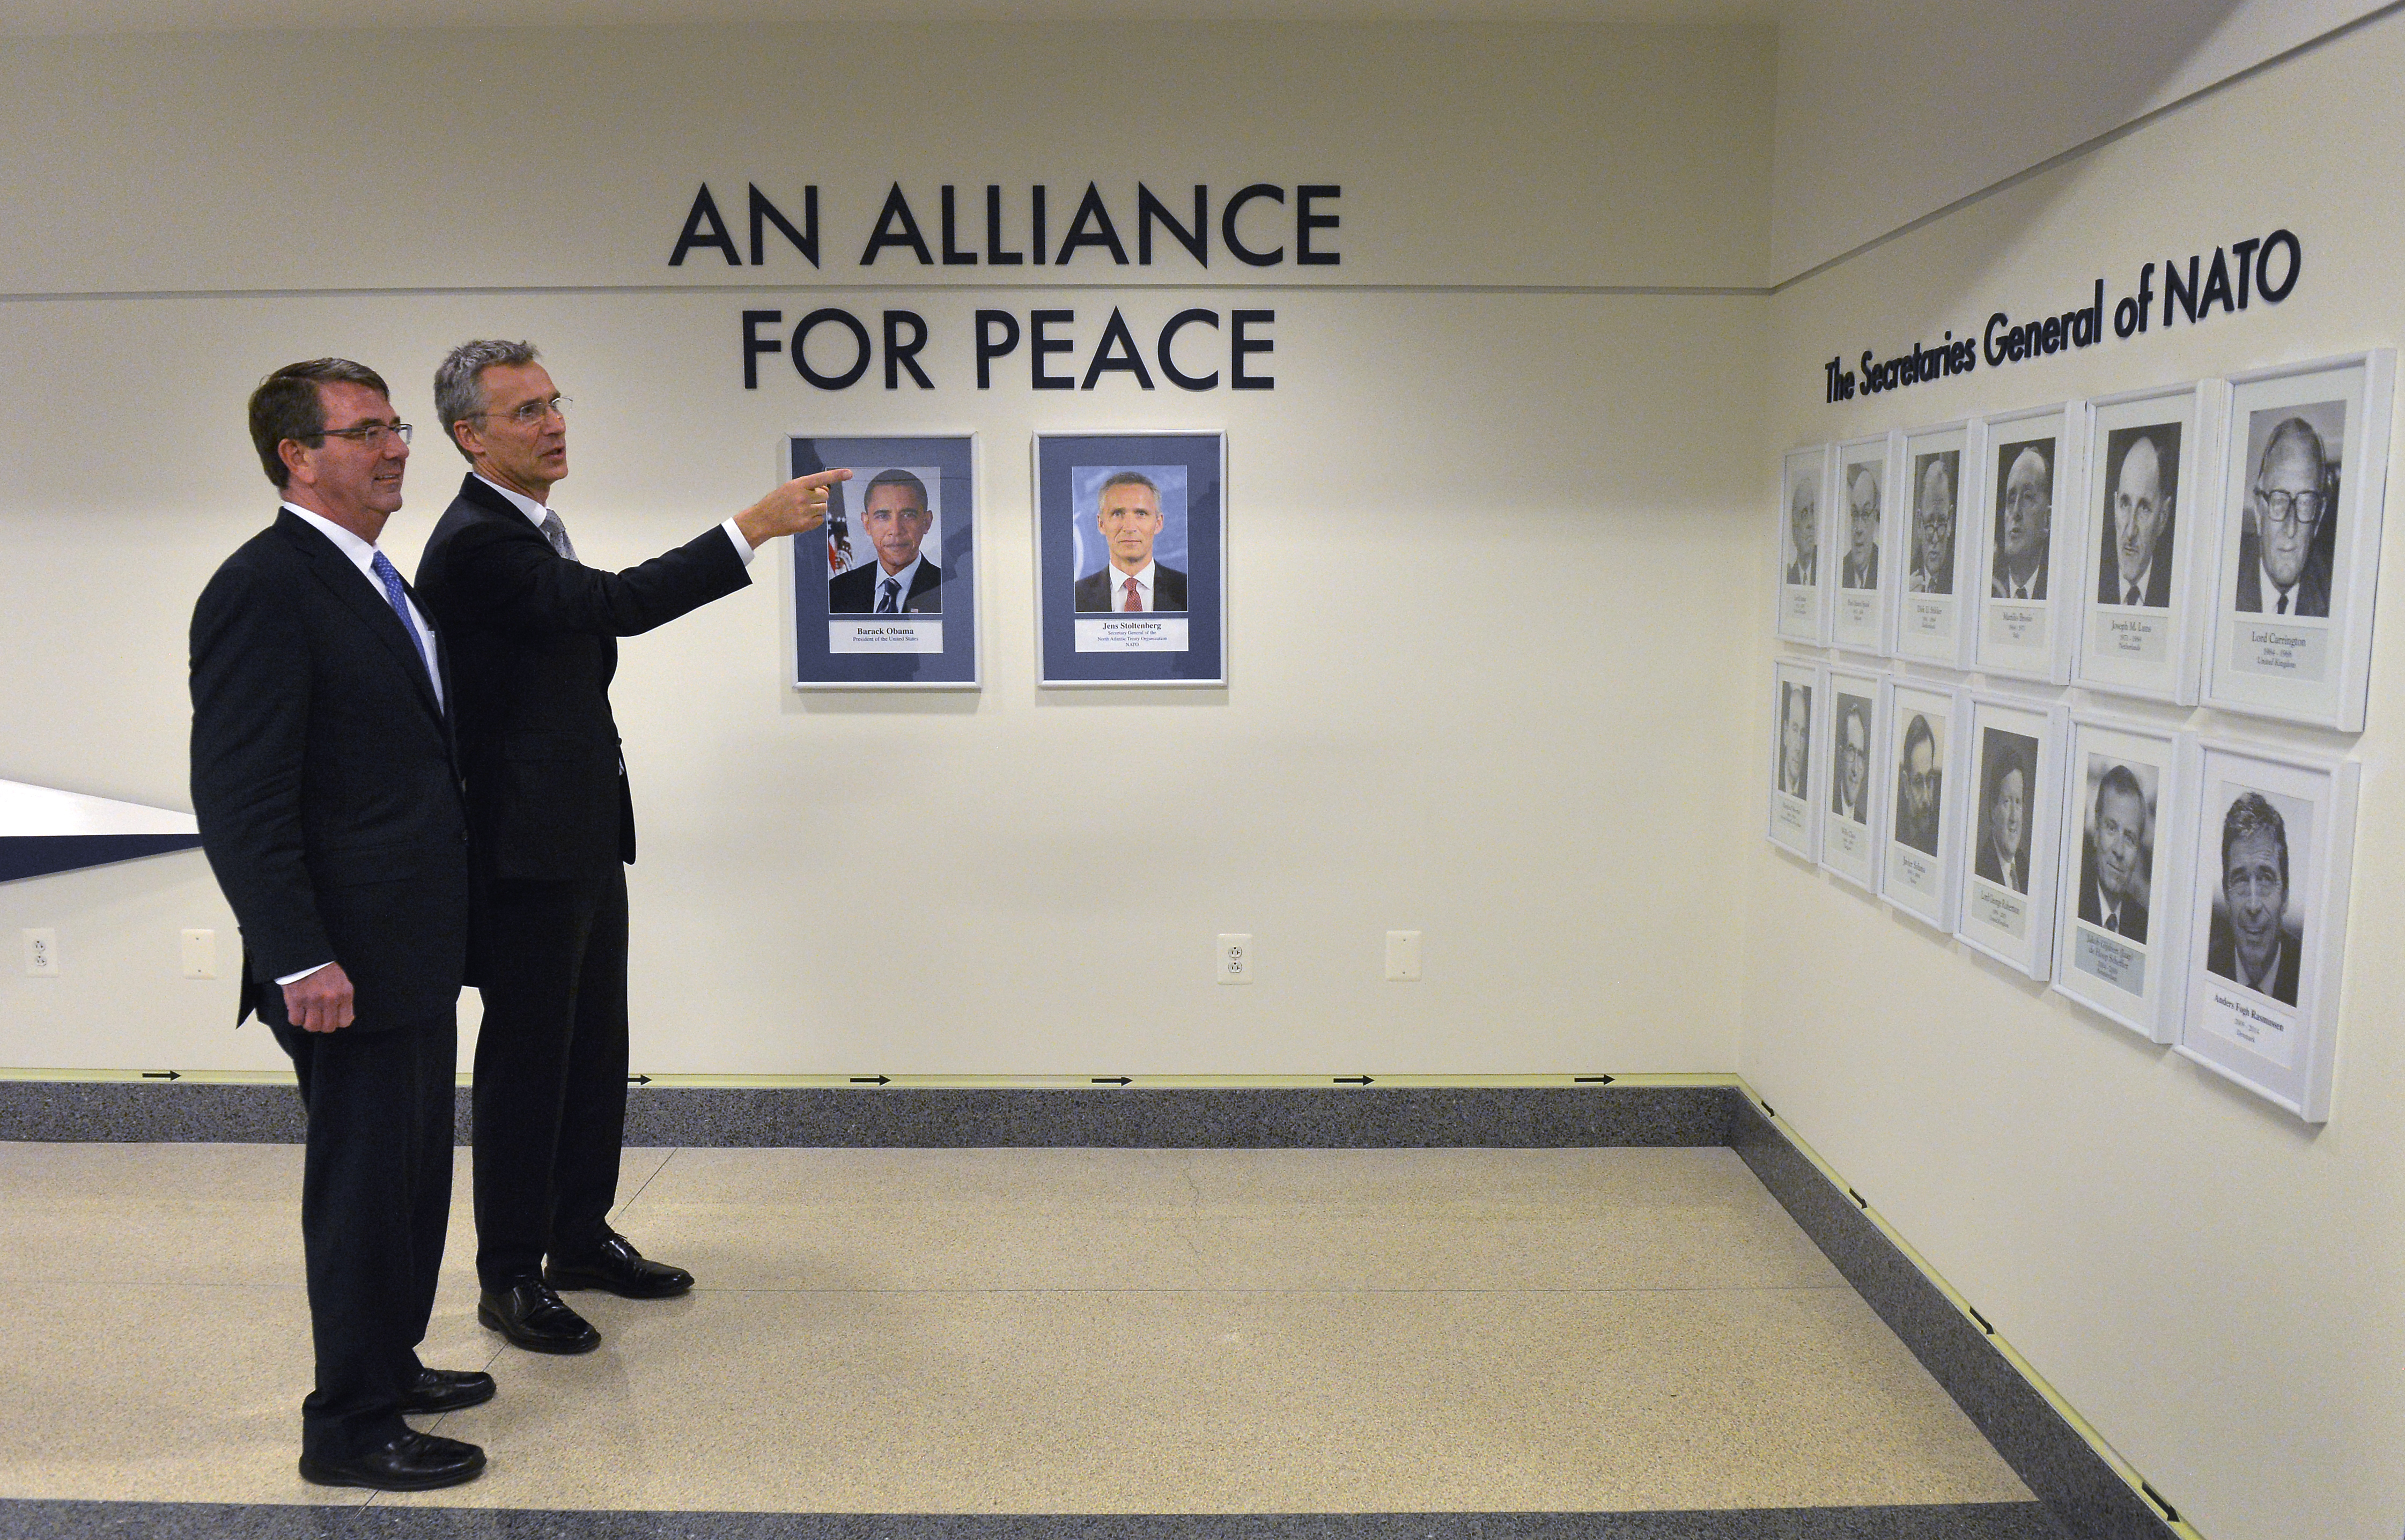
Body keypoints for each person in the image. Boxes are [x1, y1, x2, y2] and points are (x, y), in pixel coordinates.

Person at [414, 340, 847, 1355]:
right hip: (522, 846)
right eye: (524, 412)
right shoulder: (476, 541)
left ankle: (575, 1235)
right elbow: (609, 606)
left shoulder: (529, 524)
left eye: (554, 401)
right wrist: (749, 528)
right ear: (469, 436)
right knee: (529, 1060)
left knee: (593, 1045)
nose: (552, 423)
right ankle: (510, 1274)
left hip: (577, 831)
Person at [189, 360, 487, 1491]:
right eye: (365, 432)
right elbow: (241, 793)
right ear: (296, 457)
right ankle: (350, 1425)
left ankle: (390, 1362)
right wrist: (297, 950)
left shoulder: (371, 577)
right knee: (365, 1187)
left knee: (411, 1174)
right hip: (341, 961)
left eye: (396, 425)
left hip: (404, 946)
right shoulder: (265, 586)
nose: (396, 446)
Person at [2205, 791, 2302, 1005]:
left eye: (2266, 879)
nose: (2253, 905)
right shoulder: (2206, 965)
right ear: (2226, 893)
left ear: (2285, 894)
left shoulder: (2306, 975)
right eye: (2240, 880)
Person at [2233, 417, 2333, 618]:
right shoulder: (2224, 578)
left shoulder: (2336, 592)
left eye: (2305, 502)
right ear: (2259, 511)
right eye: (2279, 501)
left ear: (2319, 517)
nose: (2291, 529)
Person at [828, 469, 941, 614]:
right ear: (867, 524)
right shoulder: (838, 590)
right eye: (883, 516)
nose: (896, 530)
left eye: (908, 515)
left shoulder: (948, 589)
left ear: (926, 522)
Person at [1073, 471, 1188, 612]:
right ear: (1101, 524)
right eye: (1117, 514)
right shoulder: (1076, 598)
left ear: (1158, 523)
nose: (1129, 528)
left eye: (1141, 514)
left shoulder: (1188, 592)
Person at [2096, 430, 2174, 608]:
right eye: (2125, 504)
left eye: (2144, 509)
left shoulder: (2174, 587)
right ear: (2115, 506)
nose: (2130, 531)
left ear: (2163, 518)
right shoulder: (2092, 576)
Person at [2076, 764, 2151, 942]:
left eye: (2130, 838)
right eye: (2111, 828)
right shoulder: (2072, 900)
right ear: (2096, 832)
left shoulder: (2144, 928)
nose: (2119, 850)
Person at [1991, 444, 2051, 600]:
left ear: (2047, 519)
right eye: (2011, 500)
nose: (2016, 511)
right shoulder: (1990, 590)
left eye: (2028, 497)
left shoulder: (2056, 591)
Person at [1972, 741, 2031, 895]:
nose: (2013, 817)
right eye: (2007, 802)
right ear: (1993, 809)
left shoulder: (2026, 868)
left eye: (2018, 802)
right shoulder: (1980, 869)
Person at [1893, 713, 1941, 856]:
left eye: (1930, 779)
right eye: (1919, 783)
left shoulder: (1939, 838)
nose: (1927, 798)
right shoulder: (1894, 830)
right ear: (1906, 785)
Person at [1908, 453, 1955, 594]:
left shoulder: (1960, 579)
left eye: (1941, 522)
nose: (1935, 539)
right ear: (1919, 524)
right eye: (1929, 523)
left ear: (1950, 522)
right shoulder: (1905, 578)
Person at [1830, 695, 1870, 824]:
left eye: (1861, 756)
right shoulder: (1827, 806)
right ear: (1841, 754)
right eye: (1851, 752)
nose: (1855, 769)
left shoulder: (1862, 822)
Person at [1840, 465, 1879, 589]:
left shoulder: (1884, 567)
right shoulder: (1840, 570)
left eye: (1866, 514)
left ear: (1875, 516)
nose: (1859, 529)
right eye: (1855, 514)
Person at [1776, 682, 1810, 797]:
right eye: (1795, 730)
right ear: (1785, 732)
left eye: (1803, 734)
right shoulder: (1775, 778)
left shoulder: (1808, 791)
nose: (1798, 747)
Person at [1783, 474, 1818, 586]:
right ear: (1794, 532)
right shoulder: (1789, 578)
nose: (1811, 523)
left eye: (1812, 512)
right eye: (1804, 515)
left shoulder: (1825, 569)